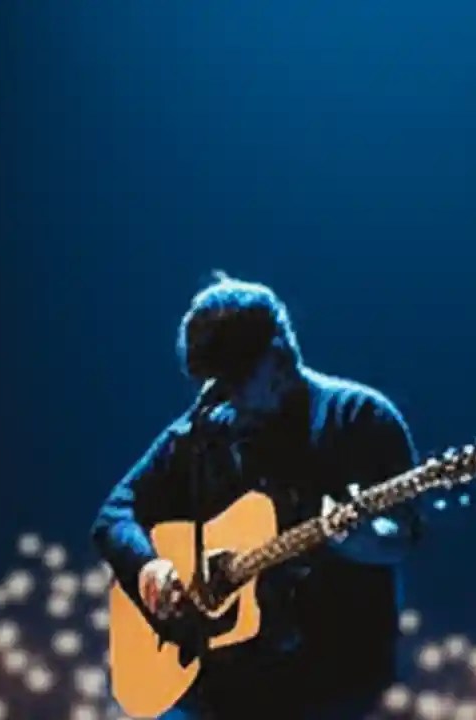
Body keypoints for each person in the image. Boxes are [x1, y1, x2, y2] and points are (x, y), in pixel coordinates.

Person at [90, 271, 425, 719]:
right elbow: (115, 514)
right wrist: (149, 565)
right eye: (213, 384)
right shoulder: (203, 429)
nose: (220, 397)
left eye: (233, 381)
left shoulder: (359, 419)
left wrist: (358, 537)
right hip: (218, 685)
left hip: (329, 685)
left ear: (278, 359)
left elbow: (402, 534)